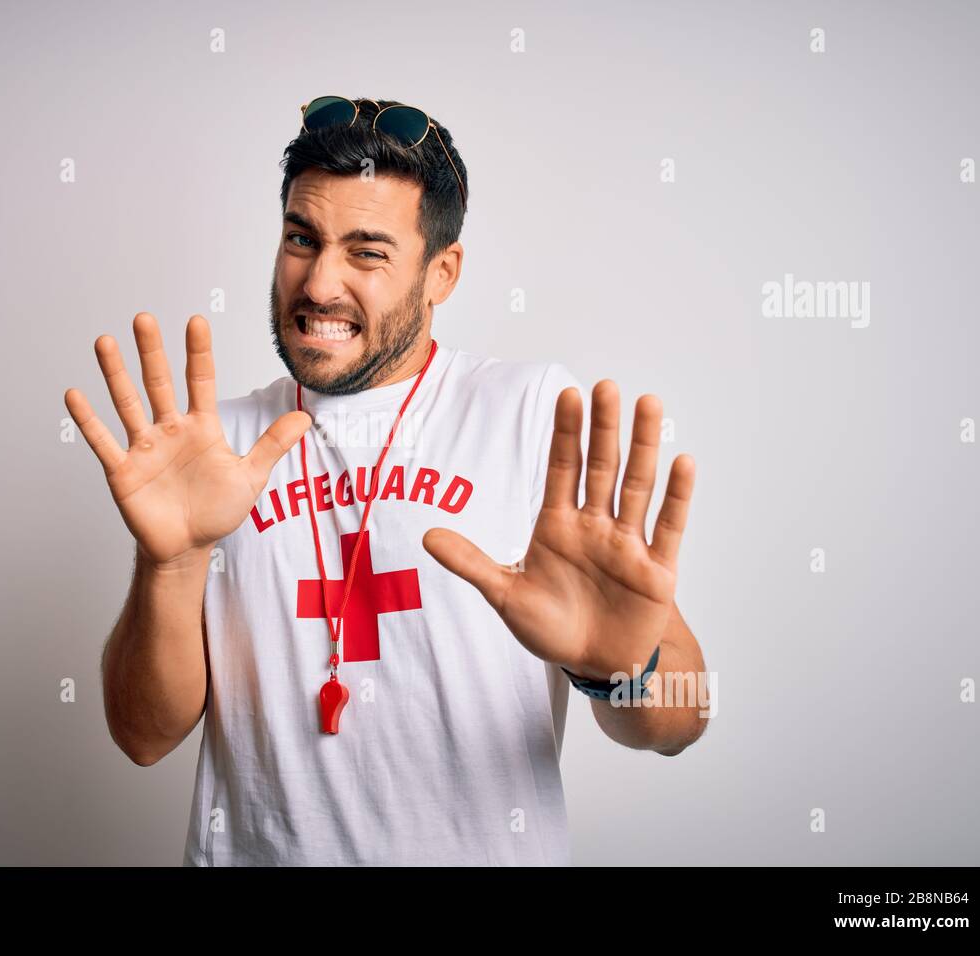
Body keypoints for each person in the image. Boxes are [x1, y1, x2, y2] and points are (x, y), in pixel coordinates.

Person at [63, 96, 708, 866]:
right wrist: (168, 563)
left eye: (367, 252)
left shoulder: (531, 414)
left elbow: (686, 715)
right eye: (302, 239)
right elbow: (143, 737)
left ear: (443, 272)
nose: (320, 283)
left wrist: (616, 671)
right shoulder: (213, 449)